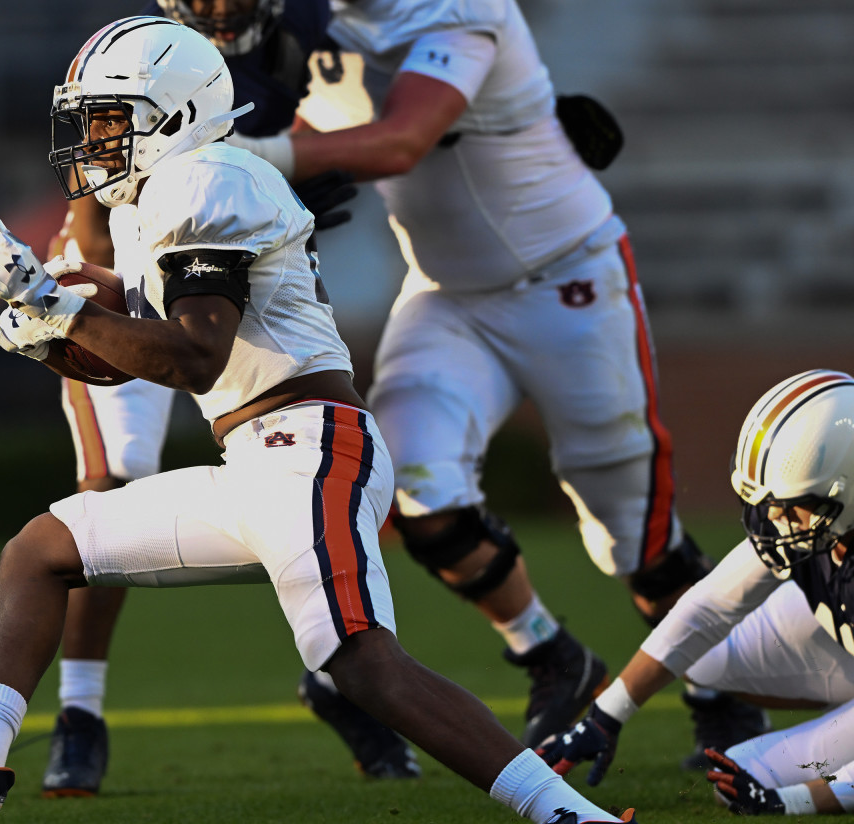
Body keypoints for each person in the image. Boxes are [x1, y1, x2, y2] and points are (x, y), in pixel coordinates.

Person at [0, 17, 636, 824]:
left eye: (110, 117)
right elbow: (132, 359)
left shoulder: (210, 177)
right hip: (257, 460)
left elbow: (194, 359)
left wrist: (59, 308)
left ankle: (566, 812)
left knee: (364, 667)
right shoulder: (157, 200)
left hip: (311, 446)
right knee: (41, 551)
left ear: (173, 113)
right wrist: (51, 339)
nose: (93, 139)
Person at [224, 0, 769, 762]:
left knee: (635, 540)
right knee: (419, 489)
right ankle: (550, 654)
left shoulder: (456, 9)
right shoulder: (312, 24)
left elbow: (403, 138)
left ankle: (726, 694)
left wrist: (260, 160)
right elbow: (311, 118)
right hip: (445, 293)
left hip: (569, 285)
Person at [36, 0, 411, 800]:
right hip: (133, 270)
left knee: (319, 484)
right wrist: (84, 310)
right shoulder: (140, 58)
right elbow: (93, 198)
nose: (216, 7)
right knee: (111, 482)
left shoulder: (307, 31)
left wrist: (295, 179)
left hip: (222, 265)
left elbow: (367, 115)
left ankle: (347, 668)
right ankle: (80, 713)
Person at [536, 368, 854, 817]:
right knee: (707, 667)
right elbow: (708, 609)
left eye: (792, 507)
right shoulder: (817, 519)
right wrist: (603, 719)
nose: (777, 522)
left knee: (752, 782)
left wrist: (792, 801)